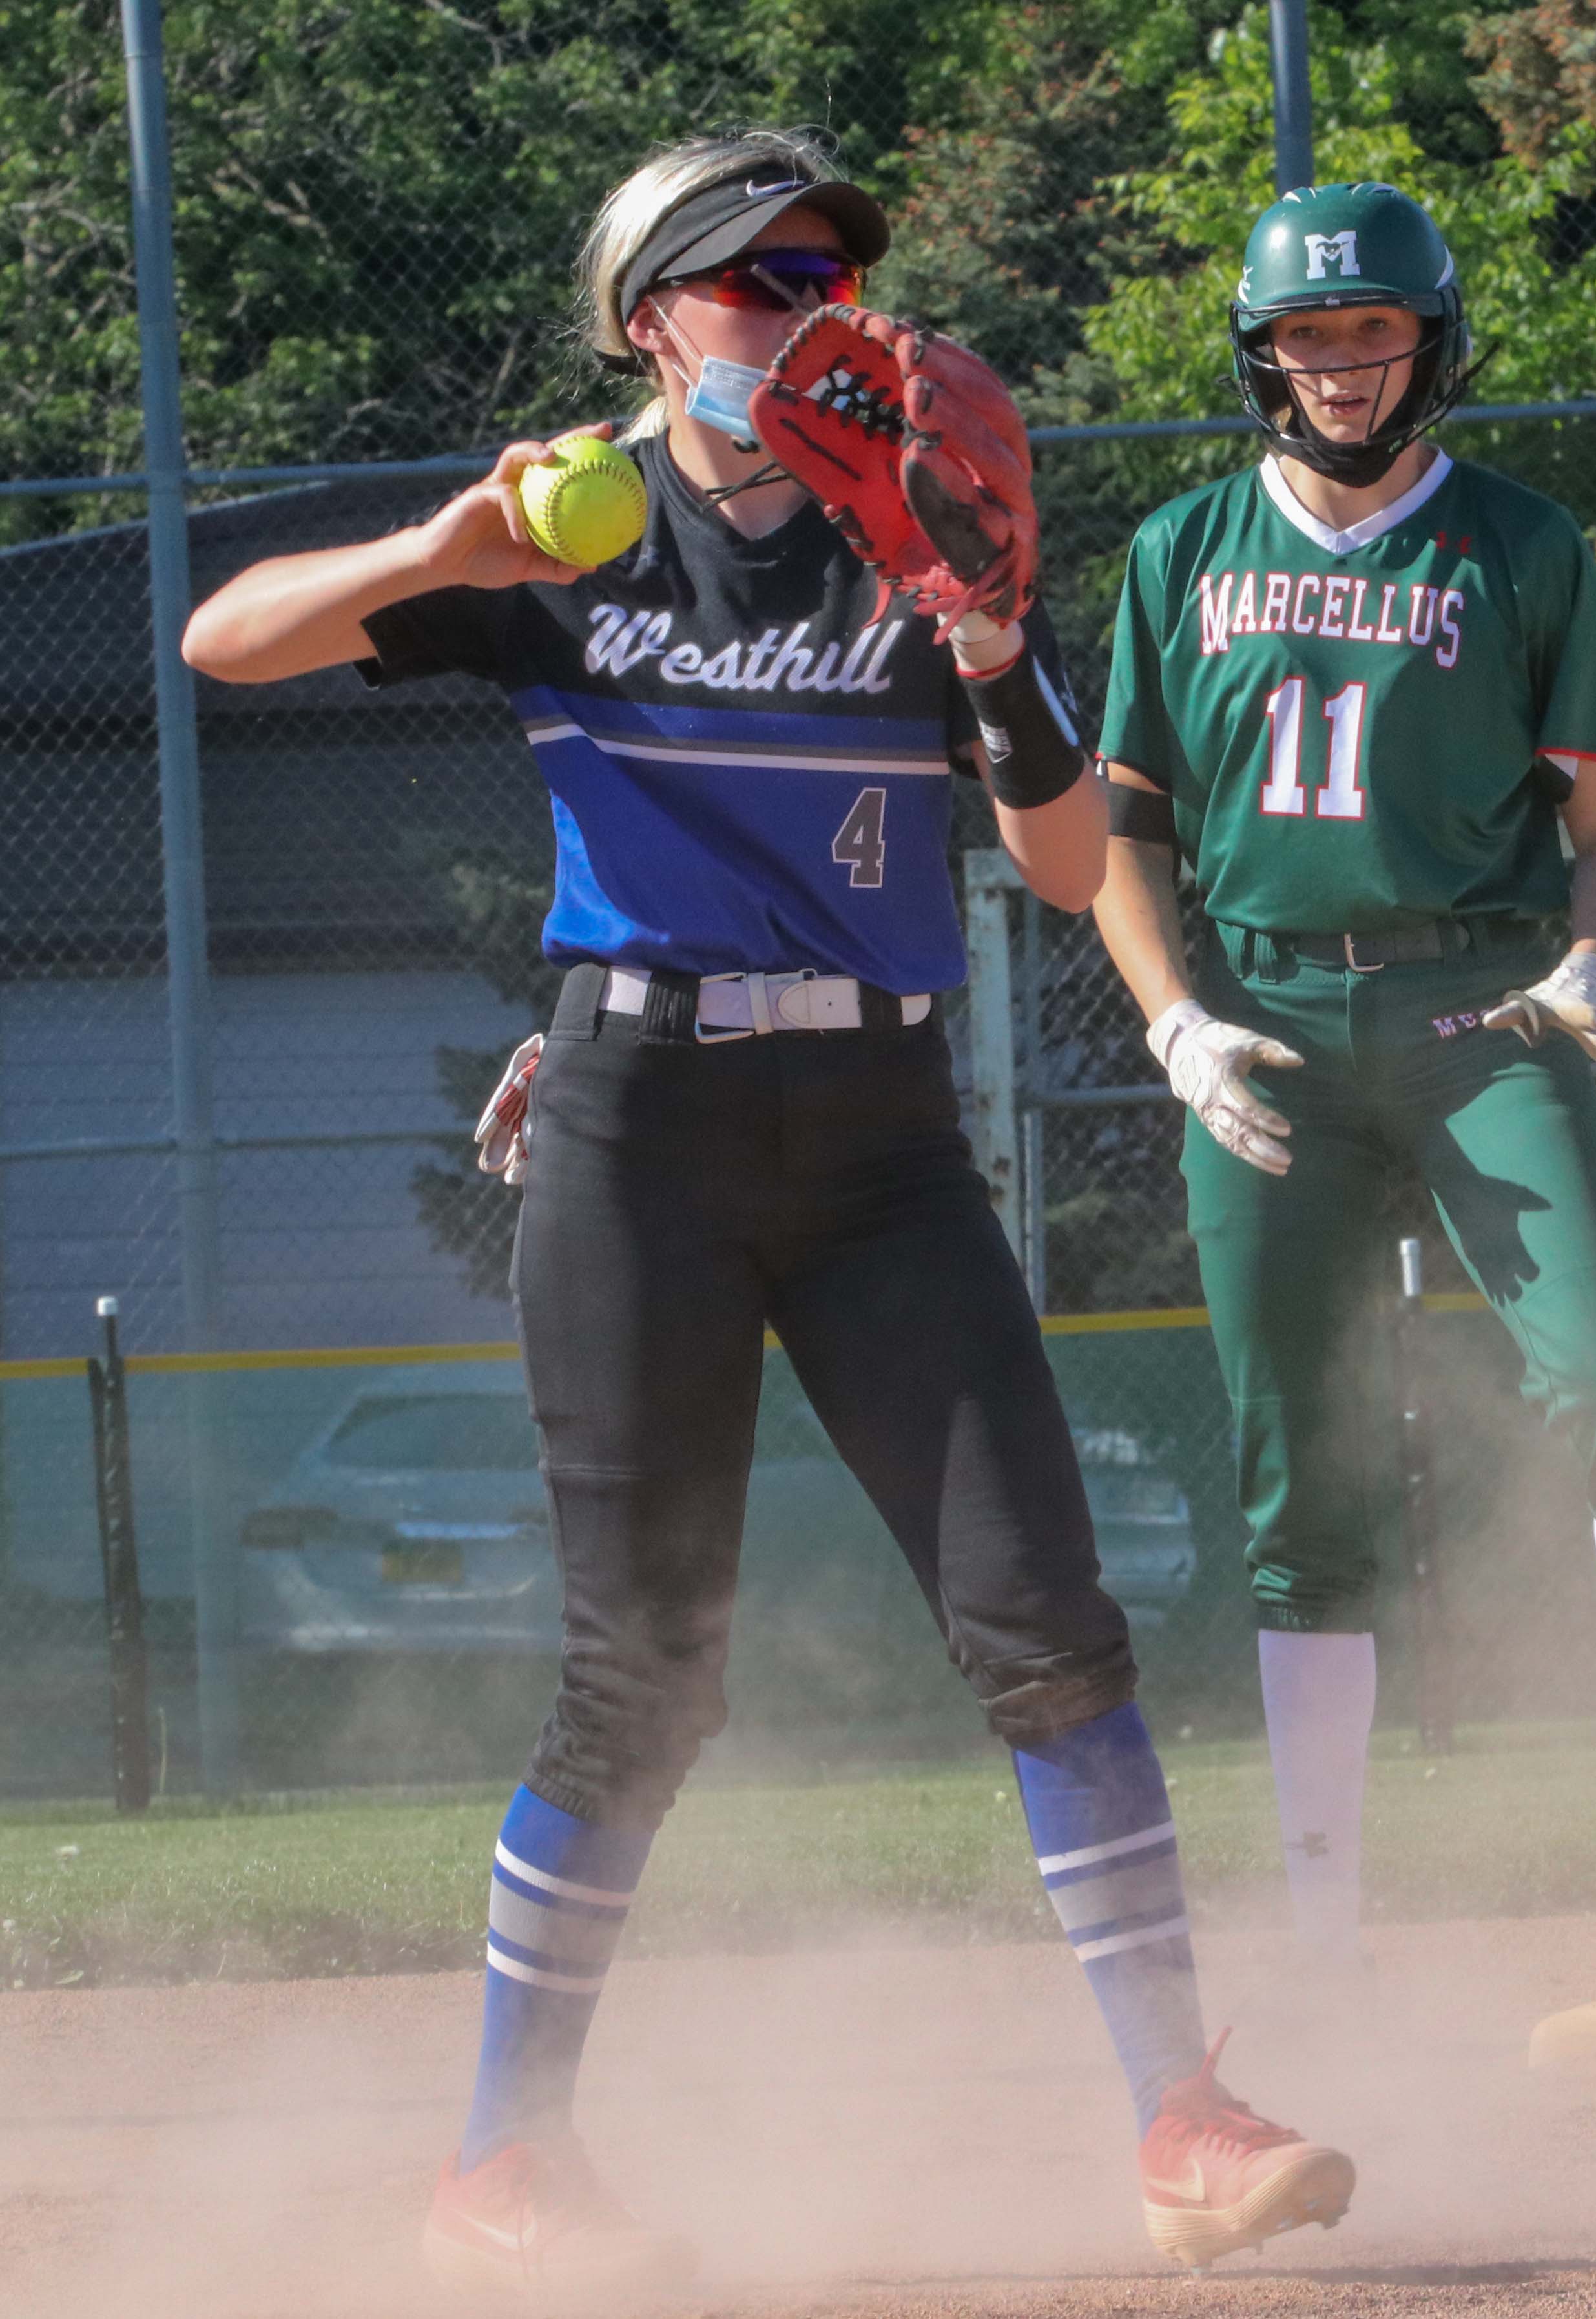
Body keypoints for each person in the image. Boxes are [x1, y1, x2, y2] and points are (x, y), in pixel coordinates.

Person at [182, 127, 1352, 2298]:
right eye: (761, 275)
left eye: (831, 270)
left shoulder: (896, 535)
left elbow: (1077, 869)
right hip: (642, 1136)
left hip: (887, 1141)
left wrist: (990, 637)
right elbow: (218, 640)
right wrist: (427, 547)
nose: (813, 303)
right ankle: (501, 2161)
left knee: (1050, 1623)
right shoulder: (560, 541)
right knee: (644, 1680)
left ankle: (1183, 2117)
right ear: (652, 319)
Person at [1090, 181, 1596, 1985]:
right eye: (1309, 339)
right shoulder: (1178, 552)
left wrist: (1590, 963)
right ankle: (1325, 1921)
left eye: (1373, 333)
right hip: (1265, 1028)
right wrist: (1172, 1017)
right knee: (1294, 1484)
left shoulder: (1520, 546)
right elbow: (1119, 843)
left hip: (1486, 1016)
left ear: (1433, 342)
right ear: (1263, 353)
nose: (1340, 368)